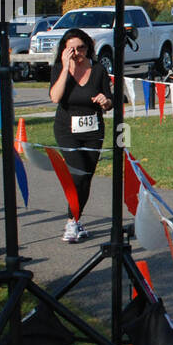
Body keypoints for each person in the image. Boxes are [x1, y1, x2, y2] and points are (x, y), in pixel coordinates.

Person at [50, 27, 113, 243]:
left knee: (86, 177)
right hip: (66, 129)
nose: (77, 53)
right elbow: (55, 97)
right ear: (64, 51)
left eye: (81, 48)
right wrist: (66, 68)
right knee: (77, 174)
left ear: (88, 48)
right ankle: (70, 222)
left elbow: (110, 101)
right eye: (72, 49)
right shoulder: (60, 68)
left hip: (93, 130)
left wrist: (106, 102)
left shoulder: (98, 71)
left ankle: (76, 220)